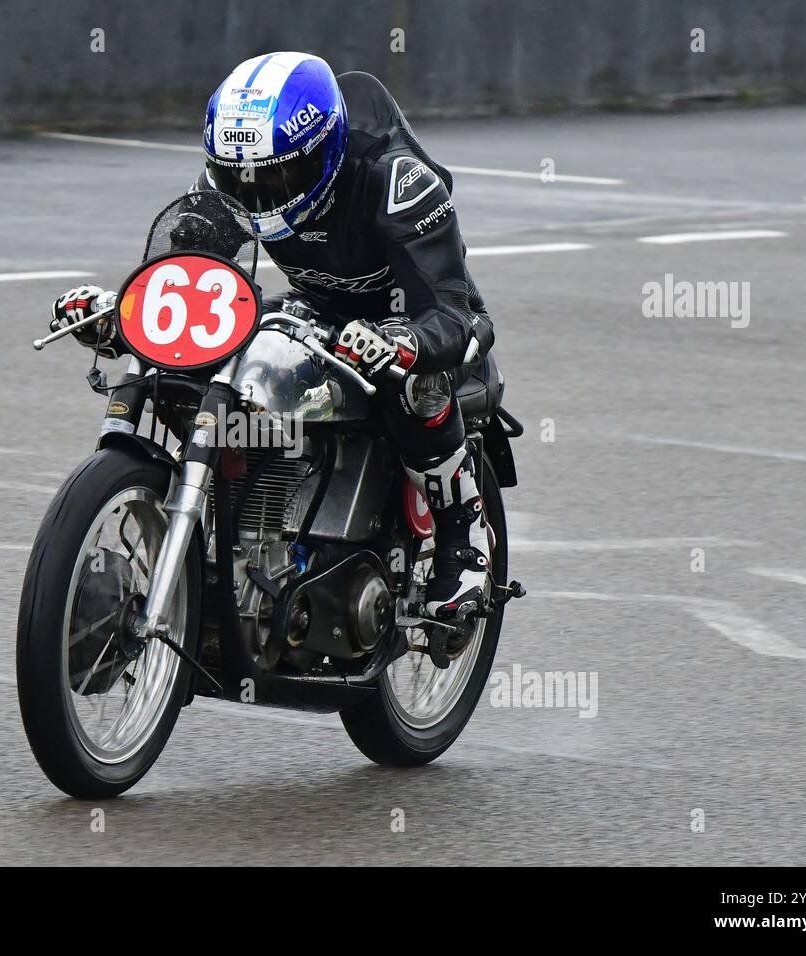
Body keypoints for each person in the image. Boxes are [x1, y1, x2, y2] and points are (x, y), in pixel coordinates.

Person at [51, 52, 496, 625]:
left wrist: (405, 340)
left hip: (420, 314)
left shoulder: (397, 181)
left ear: (323, 151)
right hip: (319, 308)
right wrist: (124, 313)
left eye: (276, 175)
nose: (254, 194)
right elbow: (186, 281)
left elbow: (452, 312)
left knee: (415, 383)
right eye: (238, 177)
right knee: (214, 353)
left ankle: (463, 536)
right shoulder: (230, 181)